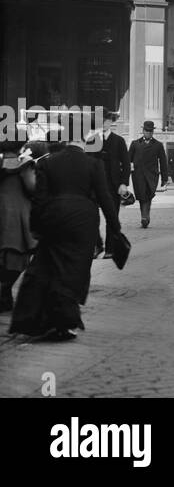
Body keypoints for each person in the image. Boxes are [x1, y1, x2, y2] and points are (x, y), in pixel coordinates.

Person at [8, 128, 122, 342]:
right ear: (83, 140)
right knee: (73, 271)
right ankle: (65, 322)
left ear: (65, 140)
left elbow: (40, 199)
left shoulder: (48, 162)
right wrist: (115, 228)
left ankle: (36, 320)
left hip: (55, 217)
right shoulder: (93, 164)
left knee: (48, 267)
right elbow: (105, 198)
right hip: (83, 221)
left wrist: (36, 226)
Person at [0, 141, 37, 313]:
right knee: (18, 258)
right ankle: (4, 291)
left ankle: (4, 294)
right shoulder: (24, 165)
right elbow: (33, 188)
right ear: (19, 148)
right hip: (17, 218)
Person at [89, 112, 130, 258]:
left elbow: (126, 164)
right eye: (101, 120)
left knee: (111, 217)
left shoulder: (119, 141)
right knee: (92, 216)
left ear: (111, 122)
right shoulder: (92, 140)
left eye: (107, 120)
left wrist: (124, 183)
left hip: (113, 185)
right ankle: (97, 246)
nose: (104, 123)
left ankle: (110, 249)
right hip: (95, 185)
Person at [128, 121, 168, 229]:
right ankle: (144, 216)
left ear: (153, 132)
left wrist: (165, 178)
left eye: (151, 131)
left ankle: (145, 216)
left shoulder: (158, 145)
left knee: (148, 195)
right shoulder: (135, 144)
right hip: (138, 175)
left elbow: (163, 162)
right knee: (142, 196)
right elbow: (127, 160)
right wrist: (125, 176)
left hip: (152, 175)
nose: (149, 133)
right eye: (147, 131)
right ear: (143, 131)